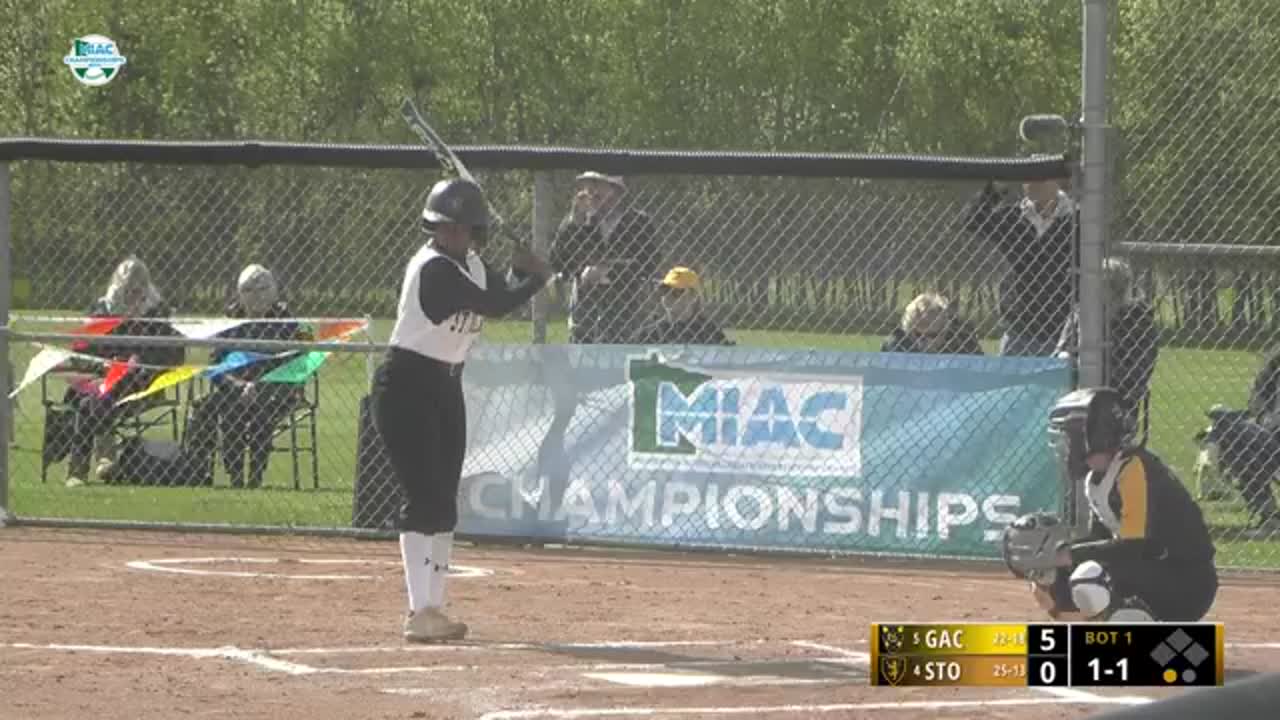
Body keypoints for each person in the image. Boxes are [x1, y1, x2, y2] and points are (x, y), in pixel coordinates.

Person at [371, 177, 552, 643]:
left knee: (446, 503)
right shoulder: (432, 269)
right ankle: (419, 611)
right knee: (424, 497)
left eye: (460, 229)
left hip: (446, 384)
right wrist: (532, 279)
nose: (450, 236)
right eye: (443, 228)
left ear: (475, 232)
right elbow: (494, 303)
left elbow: (498, 290)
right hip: (406, 384)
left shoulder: (471, 263)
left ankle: (434, 609)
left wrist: (524, 273)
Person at [1017, 387, 1218, 622]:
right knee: (1058, 577)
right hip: (1154, 571)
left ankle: (1138, 634)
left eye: (1070, 435)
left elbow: (1134, 546)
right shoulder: (1098, 477)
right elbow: (1099, 539)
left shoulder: (1135, 468)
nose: (1065, 444)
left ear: (1097, 435)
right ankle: (1102, 625)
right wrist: (1051, 557)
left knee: (1089, 576)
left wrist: (1069, 554)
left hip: (1186, 582)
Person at [184, 265, 310, 488]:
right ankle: (211, 474)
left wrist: (259, 386)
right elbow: (217, 364)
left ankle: (255, 478)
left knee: (261, 415)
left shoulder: (286, 321)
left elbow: (297, 365)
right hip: (234, 390)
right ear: (240, 294)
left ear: (272, 291)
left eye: (262, 289)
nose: (256, 296)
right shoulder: (230, 320)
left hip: (275, 390)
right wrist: (240, 386)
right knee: (212, 411)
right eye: (249, 290)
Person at [64, 257, 185, 487]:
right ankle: (100, 461)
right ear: (118, 286)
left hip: (142, 382)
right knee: (91, 399)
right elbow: (79, 353)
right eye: (128, 288)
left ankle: (82, 469)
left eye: (139, 288)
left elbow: (176, 354)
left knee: (92, 401)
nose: (133, 294)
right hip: (100, 379)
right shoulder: (102, 311)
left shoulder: (157, 313)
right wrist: (105, 365)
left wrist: (142, 360)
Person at [965, 176, 1078, 357]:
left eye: (1039, 178)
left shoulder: (1077, 219)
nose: (1031, 183)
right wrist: (994, 189)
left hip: (1063, 329)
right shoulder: (1013, 217)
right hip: (1020, 328)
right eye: (1026, 178)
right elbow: (973, 220)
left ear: (1056, 182)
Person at [551, 172, 662, 344]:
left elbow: (649, 262)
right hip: (585, 314)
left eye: (597, 184)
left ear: (615, 191)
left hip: (626, 311)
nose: (590, 191)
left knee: (621, 363)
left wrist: (607, 271)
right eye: (587, 185)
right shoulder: (578, 222)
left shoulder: (638, 222)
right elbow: (558, 261)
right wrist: (575, 220)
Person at [1056, 258, 1159, 428]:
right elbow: (1060, 354)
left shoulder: (1140, 323)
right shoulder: (1080, 314)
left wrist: (1095, 367)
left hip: (1118, 407)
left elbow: (1138, 373)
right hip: (1074, 401)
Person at [633, 266, 733, 346]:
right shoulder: (649, 332)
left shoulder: (709, 333)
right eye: (665, 290)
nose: (668, 297)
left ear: (693, 297)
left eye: (676, 292)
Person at [881, 292, 983, 355]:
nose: (923, 341)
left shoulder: (964, 345)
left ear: (944, 330)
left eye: (932, 335)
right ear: (908, 331)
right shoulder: (895, 347)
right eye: (917, 334)